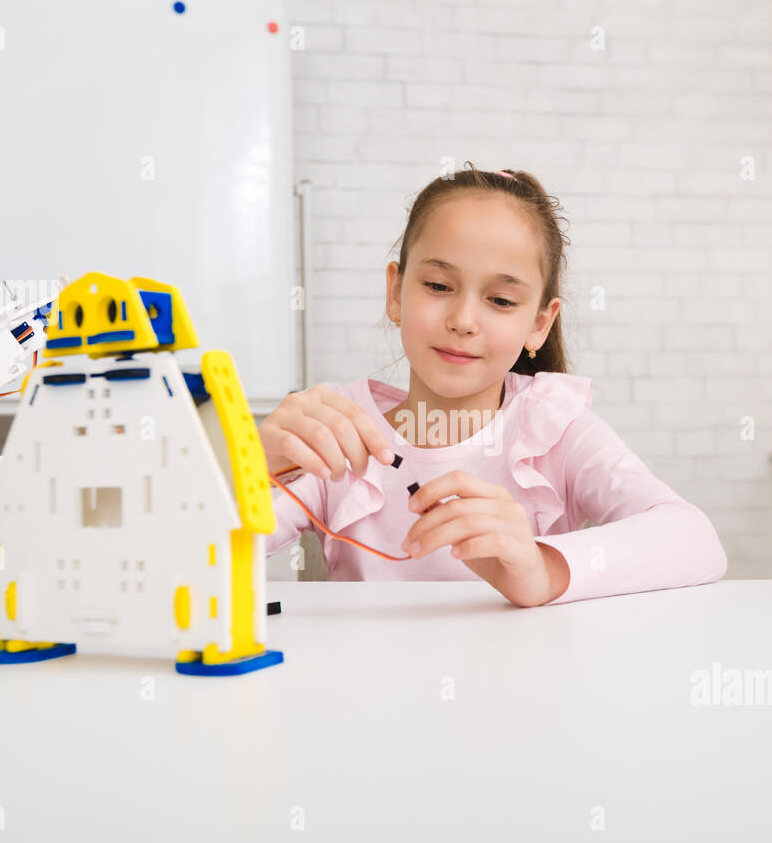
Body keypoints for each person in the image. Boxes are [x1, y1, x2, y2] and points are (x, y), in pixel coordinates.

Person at [258, 162, 727, 607]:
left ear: (539, 325)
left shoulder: (555, 431)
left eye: (501, 300)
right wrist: (245, 468)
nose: (463, 321)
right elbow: (195, 568)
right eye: (439, 287)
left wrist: (543, 570)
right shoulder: (339, 434)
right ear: (396, 293)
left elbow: (695, 540)